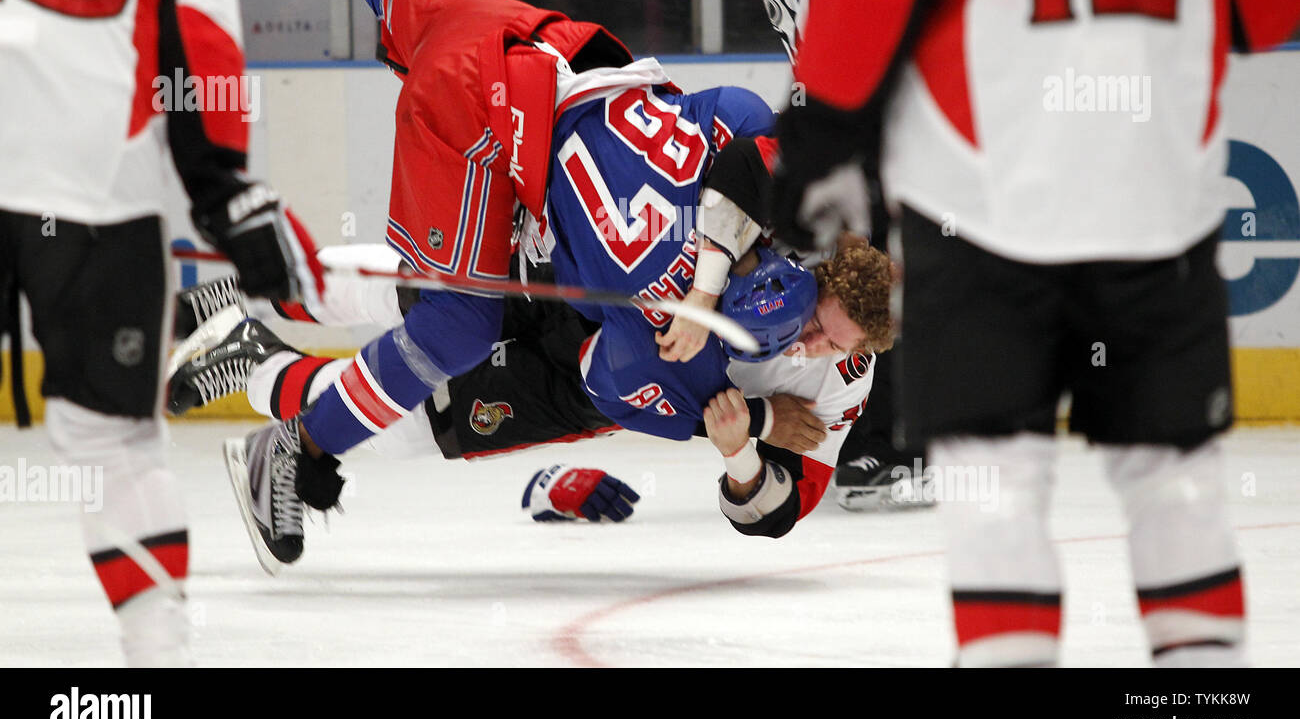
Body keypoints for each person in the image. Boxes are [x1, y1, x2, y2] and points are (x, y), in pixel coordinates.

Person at [772, 0, 1300, 667]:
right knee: (1176, 490)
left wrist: (821, 134)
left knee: (996, 491)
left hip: (978, 200)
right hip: (1158, 197)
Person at [221, 0, 780, 573]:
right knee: (457, 324)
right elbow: (610, 383)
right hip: (487, 112)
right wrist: (748, 415)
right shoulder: (659, 302)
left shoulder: (733, 122)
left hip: (527, 36)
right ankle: (296, 442)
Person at [0, 0, 318, 665]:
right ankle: (153, 662)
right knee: (114, 445)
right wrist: (222, 189)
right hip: (94, 192)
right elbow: (200, 35)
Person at [168, 234, 890, 548]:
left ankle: (252, 357)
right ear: (817, 274)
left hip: (587, 381)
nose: (811, 346)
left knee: (421, 422)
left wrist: (741, 457)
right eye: (818, 323)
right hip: (583, 276)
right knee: (418, 291)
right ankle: (253, 291)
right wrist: (757, 416)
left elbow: (782, 510)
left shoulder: (841, 383)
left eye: (835, 345)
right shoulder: (762, 235)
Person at [701, 0, 919, 512]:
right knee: (866, 279)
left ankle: (896, 449)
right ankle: (890, 446)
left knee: (871, 281)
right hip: (864, 129)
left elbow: (841, 31)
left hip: (871, 130)